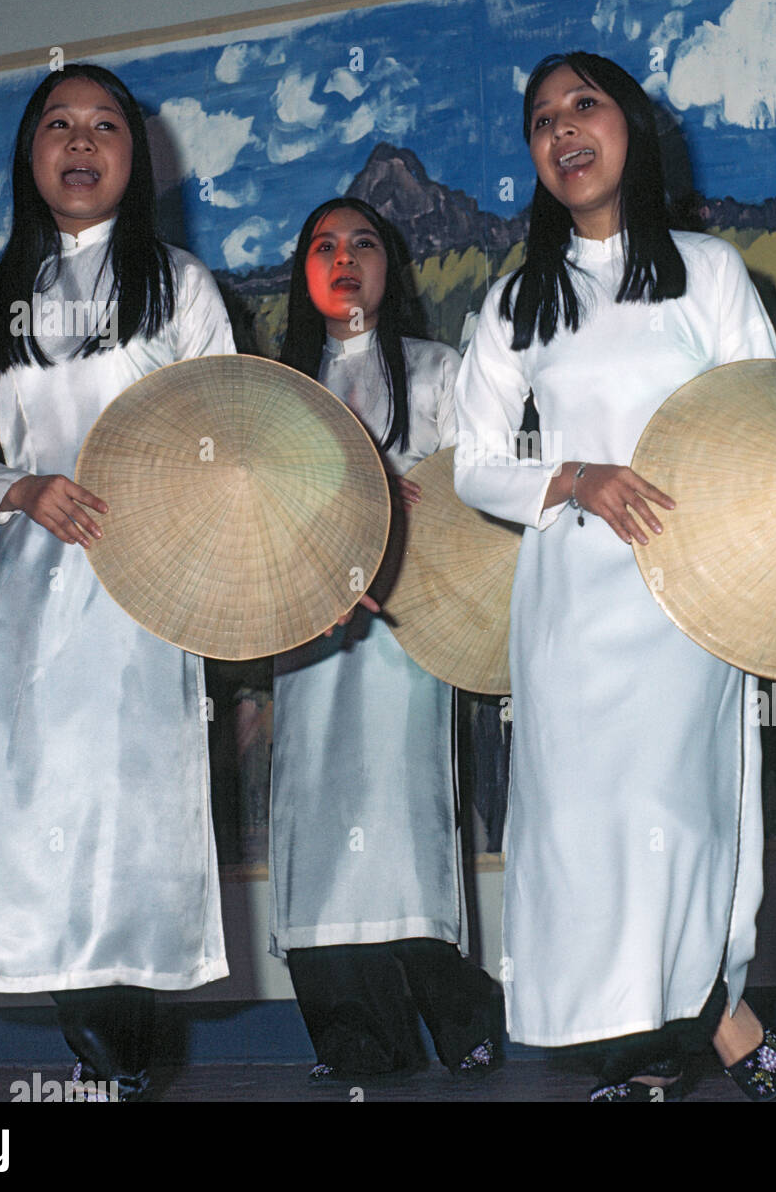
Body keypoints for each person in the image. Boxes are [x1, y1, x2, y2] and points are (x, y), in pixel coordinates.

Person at [453, 51, 776, 1102]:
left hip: (685, 591)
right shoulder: (514, 301)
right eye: (541, 118)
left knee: (677, 814)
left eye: (583, 105)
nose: (562, 129)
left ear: (631, 127)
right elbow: (471, 461)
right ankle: (675, 1042)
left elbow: (771, 428)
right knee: (581, 829)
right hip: (569, 605)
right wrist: (573, 475)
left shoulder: (709, 271)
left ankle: (686, 1024)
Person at [0, 65, 234, 1099]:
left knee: (134, 818)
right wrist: (20, 490)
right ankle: (98, 1047)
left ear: (133, 159)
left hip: (145, 585)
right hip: (27, 593)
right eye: (58, 123)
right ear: (31, 156)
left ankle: (128, 1045)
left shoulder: (178, 286)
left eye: (105, 125)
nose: (81, 140)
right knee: (31, 810)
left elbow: (226, 430)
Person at [270, 197, 503, 1082]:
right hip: (307, 632)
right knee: (317, 822)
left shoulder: (439, 370)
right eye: (323, 244)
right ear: (304, 273)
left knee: (404, 818)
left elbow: (473, 496)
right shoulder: (281, 383)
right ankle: (357, 1039)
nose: (343, 259)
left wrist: (416, 498)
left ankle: (459, 1012)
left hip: (407, 628)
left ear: (389, 267)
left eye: (363, 243)